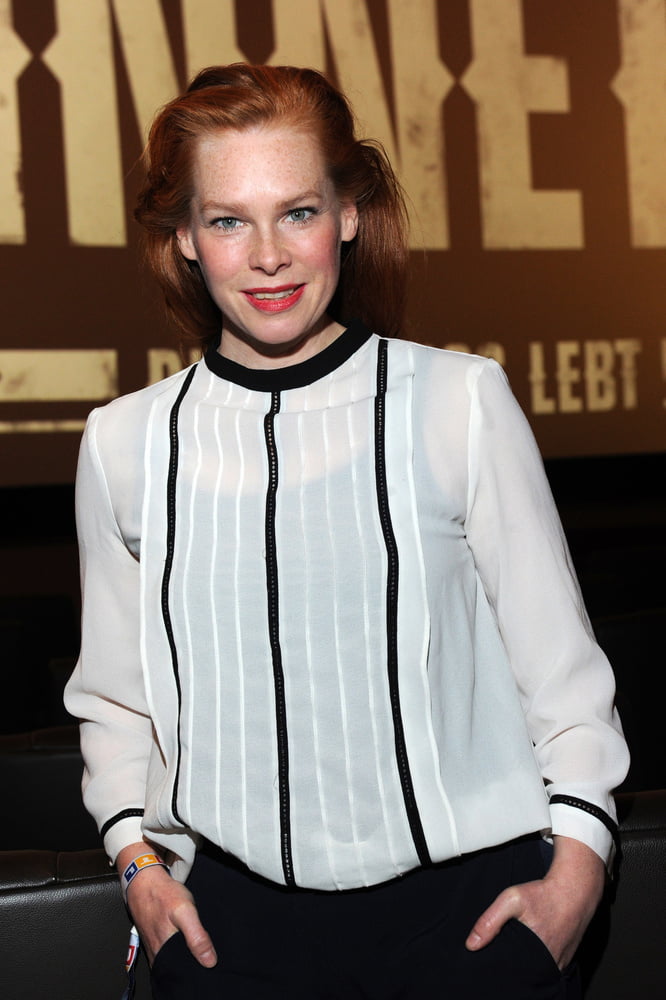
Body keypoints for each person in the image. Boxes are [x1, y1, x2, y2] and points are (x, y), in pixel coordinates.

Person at [65, 63, 629, 999]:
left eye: (298, 212)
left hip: (471, 927)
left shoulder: (459, 401)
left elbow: (564, 680)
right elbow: (115, 704)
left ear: (350, 215)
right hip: (226, 939)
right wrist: (140, 871)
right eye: (228, 221)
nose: (269, 256)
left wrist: (577, 875)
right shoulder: (123, 443)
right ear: (185, 240)